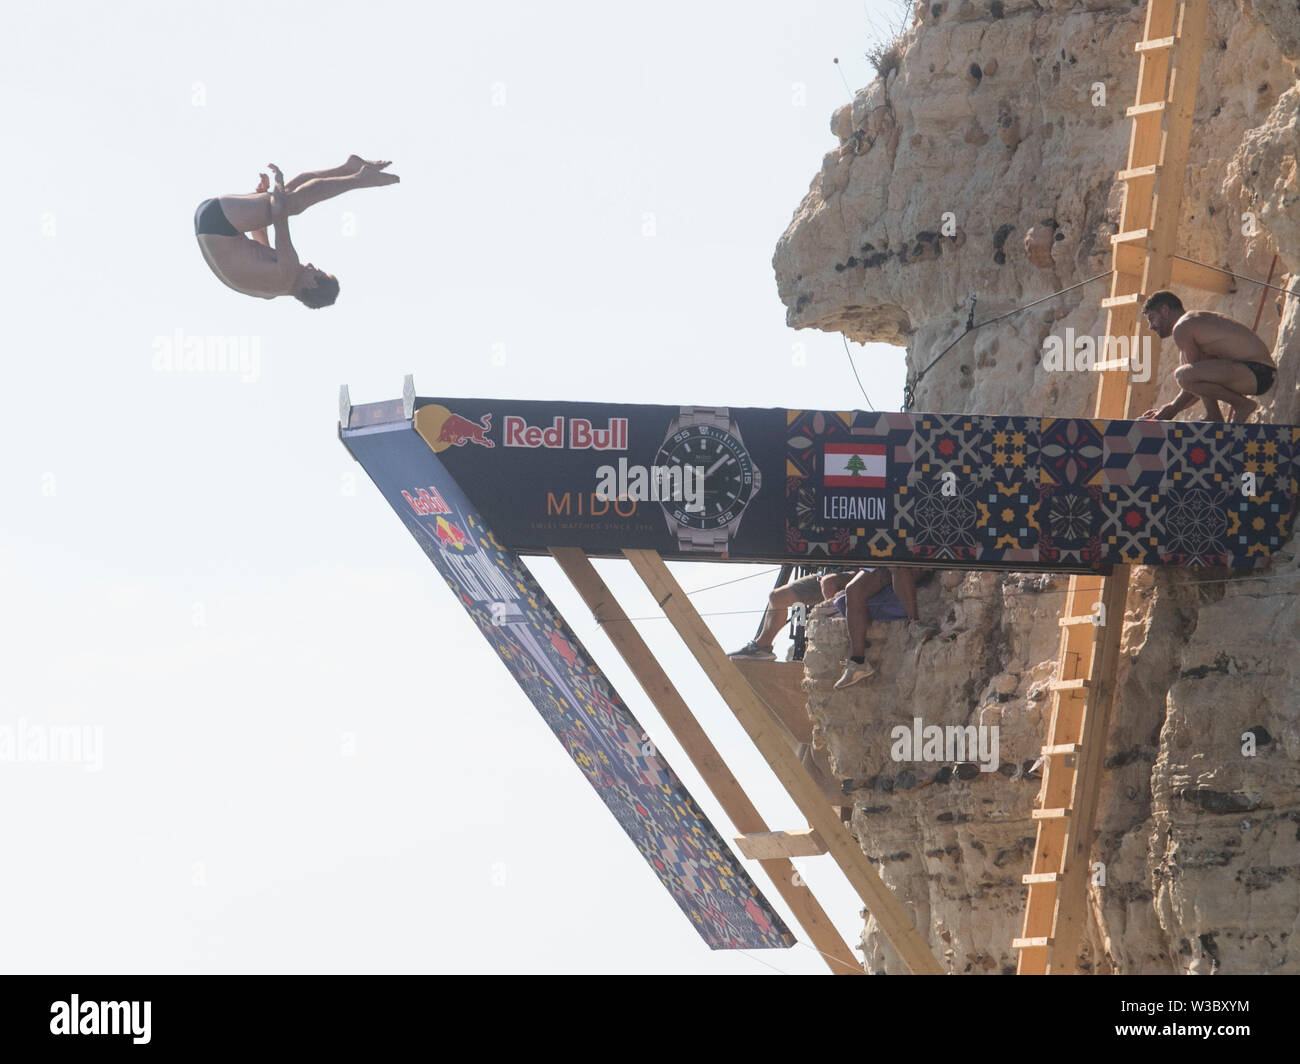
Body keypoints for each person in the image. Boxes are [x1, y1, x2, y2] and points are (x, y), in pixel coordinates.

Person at [194, 156, 399, 306]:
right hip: (208, 221)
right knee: (289, 196)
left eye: (315, 270)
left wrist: (277, 183)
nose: (309, 265)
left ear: (311, 285)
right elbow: (259, 236)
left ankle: (359, 178)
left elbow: (279, 213)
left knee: (293, 203)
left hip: (220, 220)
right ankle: (348, 168)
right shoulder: (270, 291)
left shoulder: (289, 271)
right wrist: (263, 196)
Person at [1138, 291, 1276, 423]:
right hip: (1262, 375)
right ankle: (1217, 413)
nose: (1151, 326)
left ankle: (1235, 407)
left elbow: (1190, 380)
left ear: (1164, 310)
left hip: (1255, 371)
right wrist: (1172, 408)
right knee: (1187, 374)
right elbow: (1197, 388)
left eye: (1152, 318)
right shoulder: (1195, 324)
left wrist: (1172, 408)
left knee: (1182, 374)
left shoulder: (1182, 327)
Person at [833, 567, 935, 689]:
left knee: (897, 563)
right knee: (853, 589)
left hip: (912, 557)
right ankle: (858, 661)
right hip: (882, 559)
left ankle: (915, 624)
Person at [729, 569, 854, 660]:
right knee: (777, 597)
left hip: (857, 572)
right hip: (827, 572)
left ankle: (840, 640)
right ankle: (762, 647)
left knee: (829, 582)